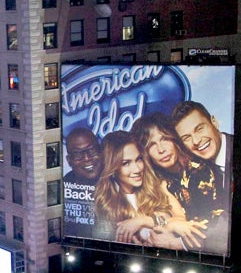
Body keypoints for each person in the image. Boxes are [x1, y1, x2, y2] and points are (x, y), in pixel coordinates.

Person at [92, 131, 206, 250]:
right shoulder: (105, 203)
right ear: (112, 168)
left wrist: (143, 221)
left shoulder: (156, 185)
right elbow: (103, 248)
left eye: (139, 159)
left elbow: (180, 221)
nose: (137, 169)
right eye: (126, 163)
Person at [133, 112, 227, 253]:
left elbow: (202, 228)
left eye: (164, 139)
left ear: (175, 140)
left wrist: (171, 228)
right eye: (152, 145)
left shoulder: (198, 171)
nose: (161, 149)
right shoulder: (161, 182)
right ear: (145, 153)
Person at [171, 100, 233, 193]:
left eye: (199, 129)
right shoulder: (194, 172)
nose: (196, 141)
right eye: (186, 138)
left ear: (214, 122)